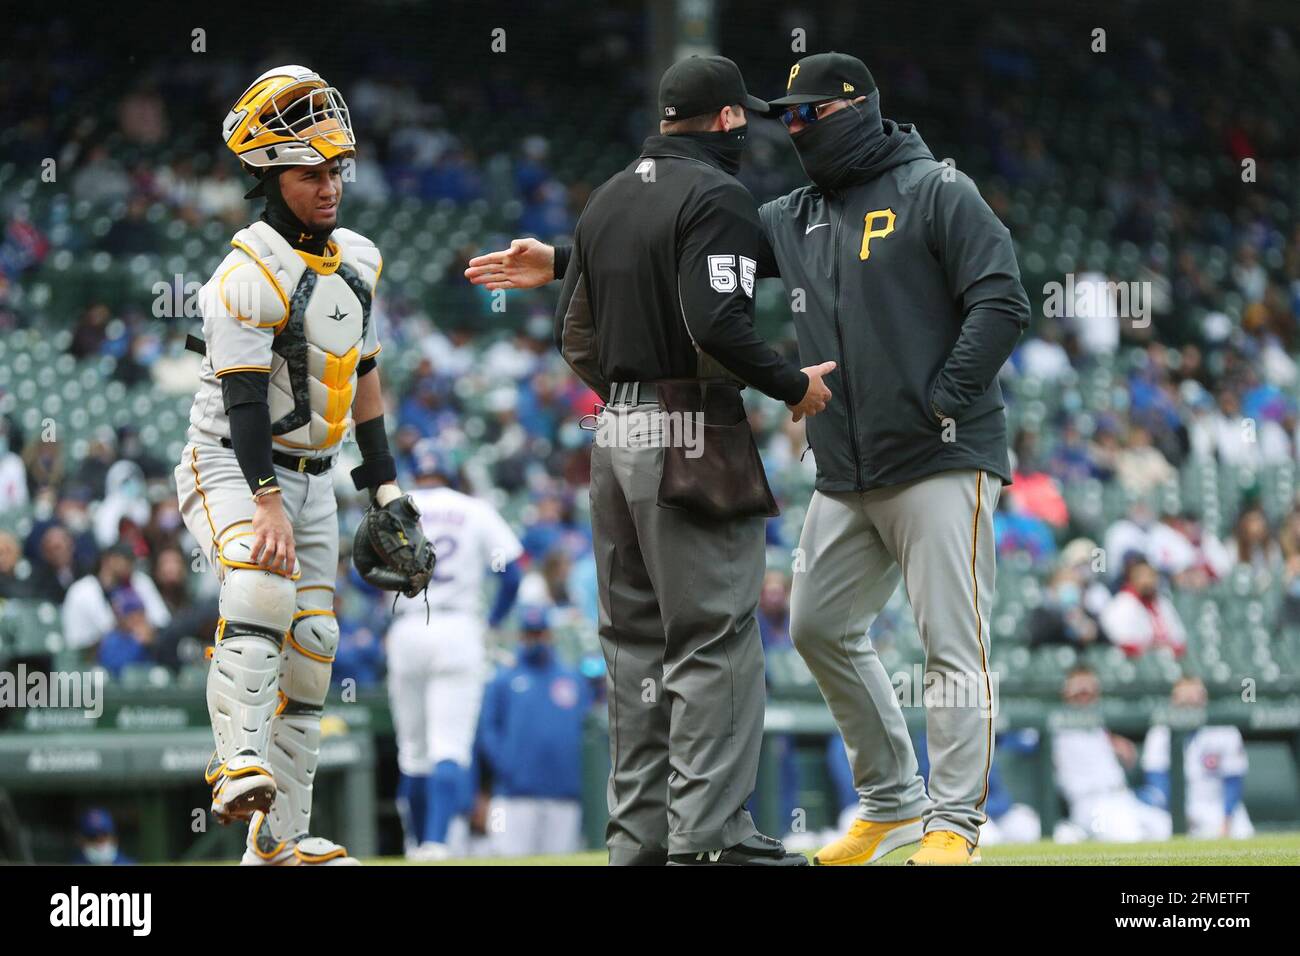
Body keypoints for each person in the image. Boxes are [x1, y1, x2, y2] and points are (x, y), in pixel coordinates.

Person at [467, 51, 1028, 866]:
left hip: (941, 457)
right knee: (818, 627)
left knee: (952, 643)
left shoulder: (937, 188)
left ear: (861, 108)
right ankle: (895, 803)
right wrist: (565, 258)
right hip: (848, 466)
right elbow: (688, 243)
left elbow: (1002, 297)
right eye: (787, 116)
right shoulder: (796, 212)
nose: (796, 128)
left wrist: (942, 399)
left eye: (813, 114)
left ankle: (954, 825)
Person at [481, 56, 836, 866]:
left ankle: (639, 842)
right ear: (724, 121)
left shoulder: (606, 197)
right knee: (712, 639)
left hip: (615, 435)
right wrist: (788, 385)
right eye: (741, 117)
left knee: (635, 648)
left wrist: (630, 401)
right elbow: (716, 320)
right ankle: (710, 841)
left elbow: (578, 333)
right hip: (690, 430)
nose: (747, 128)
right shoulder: (718, 195)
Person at [173, 65, 431, 866]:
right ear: (269, 177)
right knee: (258, 580)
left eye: (335, 171)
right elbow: (246, 402)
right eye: (310, 173)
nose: (329, 187)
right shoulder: (243, 273)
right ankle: (233, 764)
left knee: (314, 646)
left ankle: (278, 843)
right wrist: (265, 501)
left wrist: (383, 486)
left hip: (317, 476)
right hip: (233, 463)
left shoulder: (358, 257)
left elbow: (362, 373)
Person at [386, 441, 524, 861]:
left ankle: (414, 845)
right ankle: (437, 844)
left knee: (412, 750)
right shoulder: (474, 508)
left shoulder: (396, 512)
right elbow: (512, 572)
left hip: (407, 627)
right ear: (449, 470)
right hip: (458, 625)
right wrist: (494, 621)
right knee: (448, 746)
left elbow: (360, 575)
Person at [477, 606, 593, 857]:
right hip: (513, 797)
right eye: (530, 633)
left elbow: (588, 731)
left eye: (540, 633)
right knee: (509, 859)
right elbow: (488, 732)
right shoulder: (503, 680)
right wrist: (508, 768)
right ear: (521, 636)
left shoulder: (571, 679)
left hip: (564, 795)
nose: (535, 639)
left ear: (550, 635)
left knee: (561, 861)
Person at [1051, 667, 1172, 843]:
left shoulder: (1099, 727)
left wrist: (1114, 741)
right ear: (1066, 691)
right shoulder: (1056, 725)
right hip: (1090, 805)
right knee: (1128, 835)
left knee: (1165, 827)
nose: (1085, 692)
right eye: (1079, 688)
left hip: (1123, 798)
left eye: (1090, 688)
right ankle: (1076, 834)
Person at [1141, 677, 1253, 839]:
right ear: (1174, 699)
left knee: (1242, 834)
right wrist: (1177, 813)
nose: (1191, 703)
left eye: (1196, 697)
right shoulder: (1160, 731)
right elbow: (1157, 780)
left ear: (1204, 698)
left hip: (1216, 806)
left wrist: (1226, 818)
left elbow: (1233, 781)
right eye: (1185, 698)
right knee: (1151, 828)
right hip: (1177, 807)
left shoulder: (1225, 728)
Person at [1099, 557, 1188, 657]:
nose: (1147, 581)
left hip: (1167, 660)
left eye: (1151, 576)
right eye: (1141, 576)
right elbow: (1125, 643)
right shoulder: (1121, 605)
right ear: (1131, 578)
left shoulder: (1162, 602)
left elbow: (1179, 637)